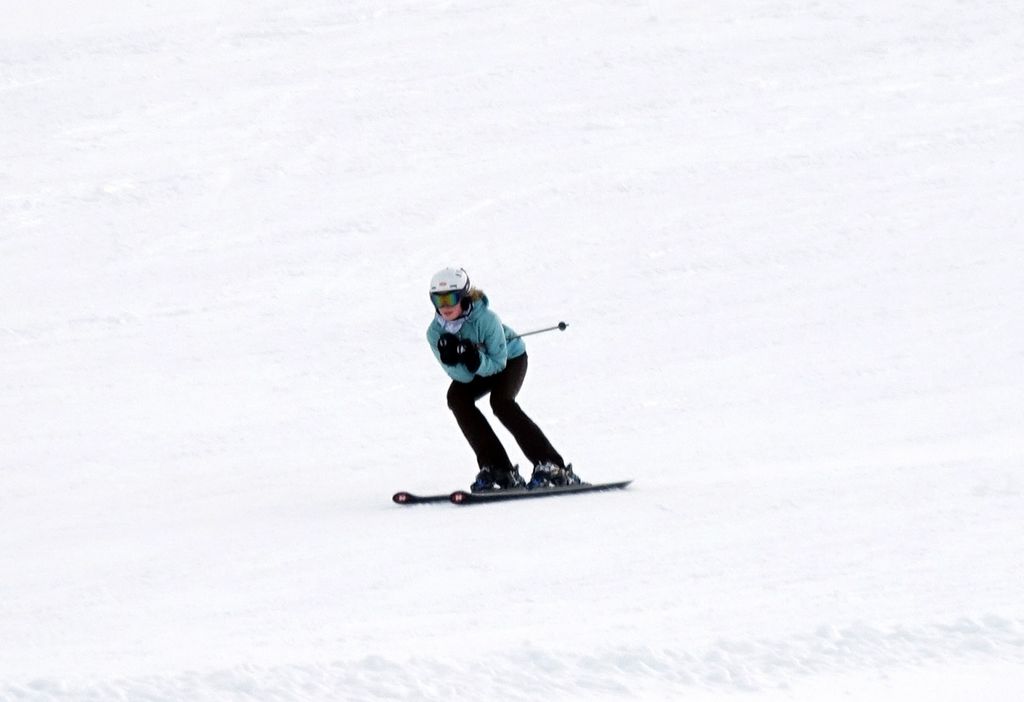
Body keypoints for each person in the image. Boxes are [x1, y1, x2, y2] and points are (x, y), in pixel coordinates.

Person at [426, 267, 581, 492]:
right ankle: (497, 467)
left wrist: (473, 358)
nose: (445, 306)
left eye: (451, 298)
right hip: (479, 369)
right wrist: (455, 359)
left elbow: (498, 363)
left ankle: (551, 465)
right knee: (457, 397)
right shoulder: (434, 333)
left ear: (464, 296)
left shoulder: (486, 320)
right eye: (438, 300)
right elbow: (461, 378)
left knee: (501, 403)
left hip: (511, 360)